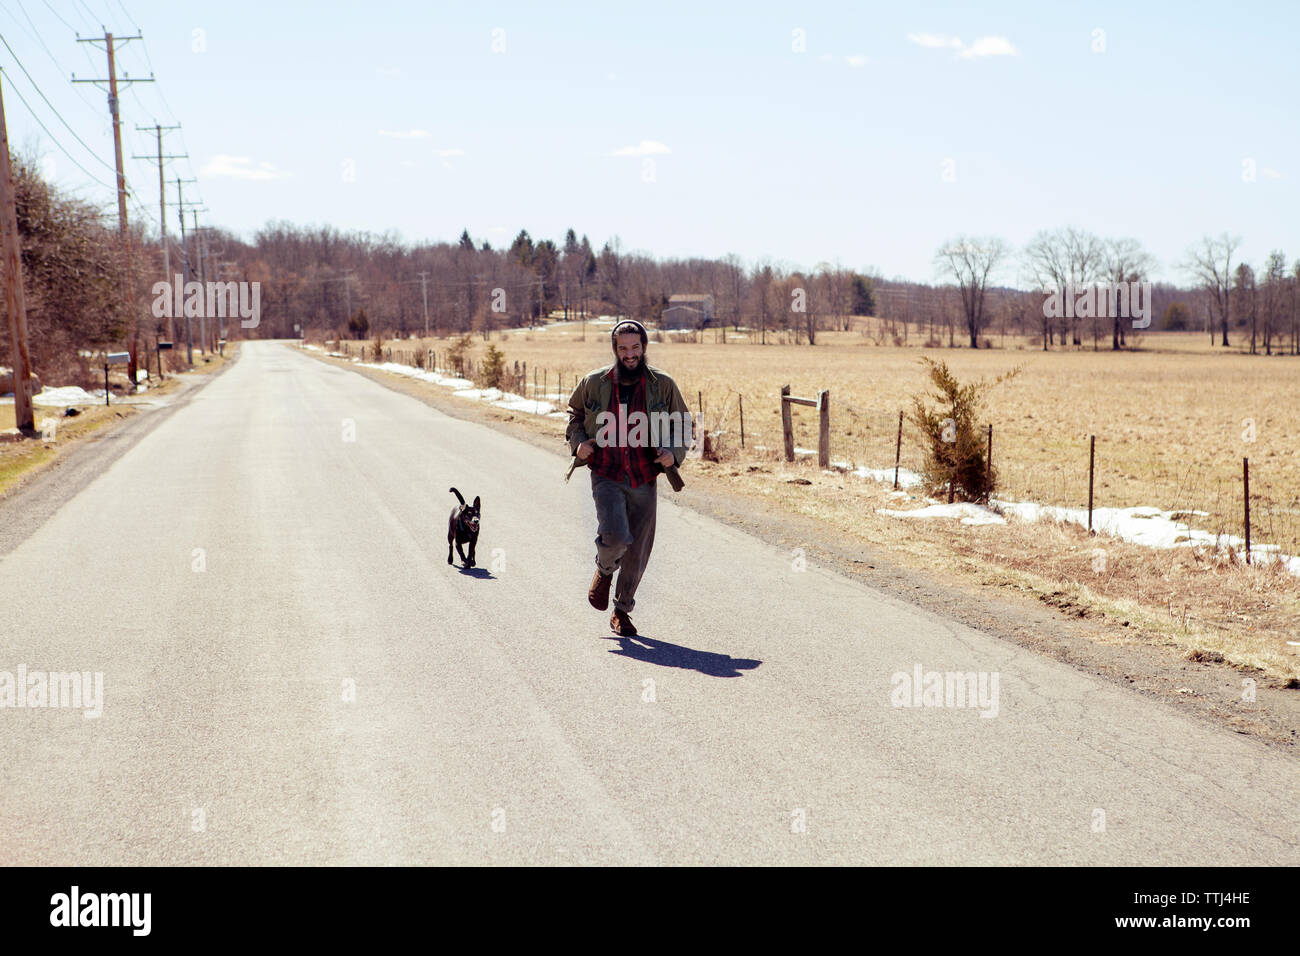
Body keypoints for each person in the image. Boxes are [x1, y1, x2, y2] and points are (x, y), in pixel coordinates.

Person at [566, 319, 691, 636]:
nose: (630, 354)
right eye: (623, 348)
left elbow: (684, 424)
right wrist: (578, 443)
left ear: (644, 347)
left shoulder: (662, 385)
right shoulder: (595, 382)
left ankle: (622, 611)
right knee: (616, 536)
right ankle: (604, 570)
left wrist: (672, 454)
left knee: (637, 551)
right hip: (606, 472)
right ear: (615, 350)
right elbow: (575, 416)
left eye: (635, 347)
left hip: (644, 477)